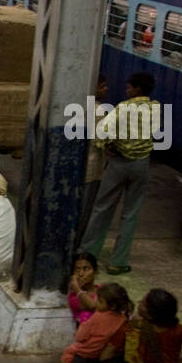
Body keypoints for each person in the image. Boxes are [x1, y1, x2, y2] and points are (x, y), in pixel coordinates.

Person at [79, 71, 161, 275]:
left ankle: (87, 256)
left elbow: (101, 134)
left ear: (137, 89)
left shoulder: (123, 108)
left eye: (129, 87)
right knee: (131, 214)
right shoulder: (157, 108)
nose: (126, 90)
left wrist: (106, 147)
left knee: (102, 209)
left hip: (119, 164)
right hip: (142, 165)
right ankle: (118, 261)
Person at [44, 282, 131, 363]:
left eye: (99, 301)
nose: (95, 302)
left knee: (68, 353)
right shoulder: (122, 319)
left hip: (88, 349)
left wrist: (81, 329)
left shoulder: (98, 316)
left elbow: (80, 336)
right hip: (101, 349)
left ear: (112, 306)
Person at [75, 75, 111, 247]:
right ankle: (78, 247)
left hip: (77, 165)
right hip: (92, 167)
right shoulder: (98, 110)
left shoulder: (76, 105)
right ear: (92, 88)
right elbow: (102, 140)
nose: (106, 89)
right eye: (102, 86)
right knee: (84, 211)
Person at [66, 251, 101, 325]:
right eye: (77, 270)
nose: (81, 274)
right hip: (86, 335)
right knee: (86, 314)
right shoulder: (74, 297)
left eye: (86, 269)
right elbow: (93, 306)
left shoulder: (102, 289)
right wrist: (76, 288)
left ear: (95, 271)